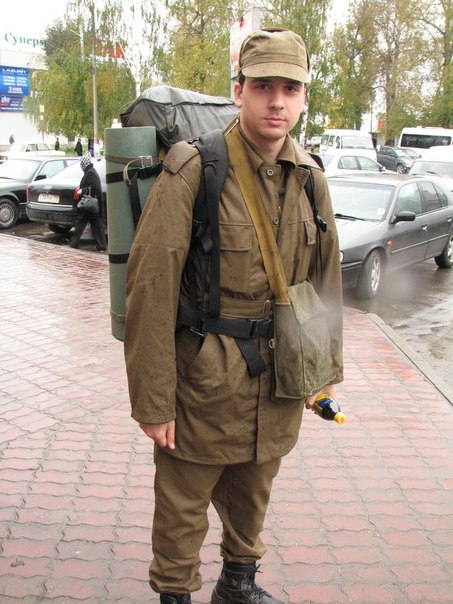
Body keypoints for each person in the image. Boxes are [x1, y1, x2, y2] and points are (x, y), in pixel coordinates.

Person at [124, 28, 343, 604]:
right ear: (239, 90)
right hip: (204, 379)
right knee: (183, 505)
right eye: (263, 86)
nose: (277, 102)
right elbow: (150, 289)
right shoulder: (195, 169)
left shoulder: (310, 177)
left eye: (290, 89)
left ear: (303, 97)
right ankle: (175, 595)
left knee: (254, 491)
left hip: (279, 377)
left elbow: (325, 284)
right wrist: (153, 401)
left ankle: (238, 585)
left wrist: (322, 375)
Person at [70, 153, 106, 251]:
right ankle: (101, 245)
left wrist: (82, 190)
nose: (80, 166)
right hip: (92, 205)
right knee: (96, 225)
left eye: (81, 164)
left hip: (88, 204)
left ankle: (74, 243)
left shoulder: (90, 173)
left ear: (84, 164)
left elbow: (94, 188)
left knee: (81, 223)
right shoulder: (90, 171)